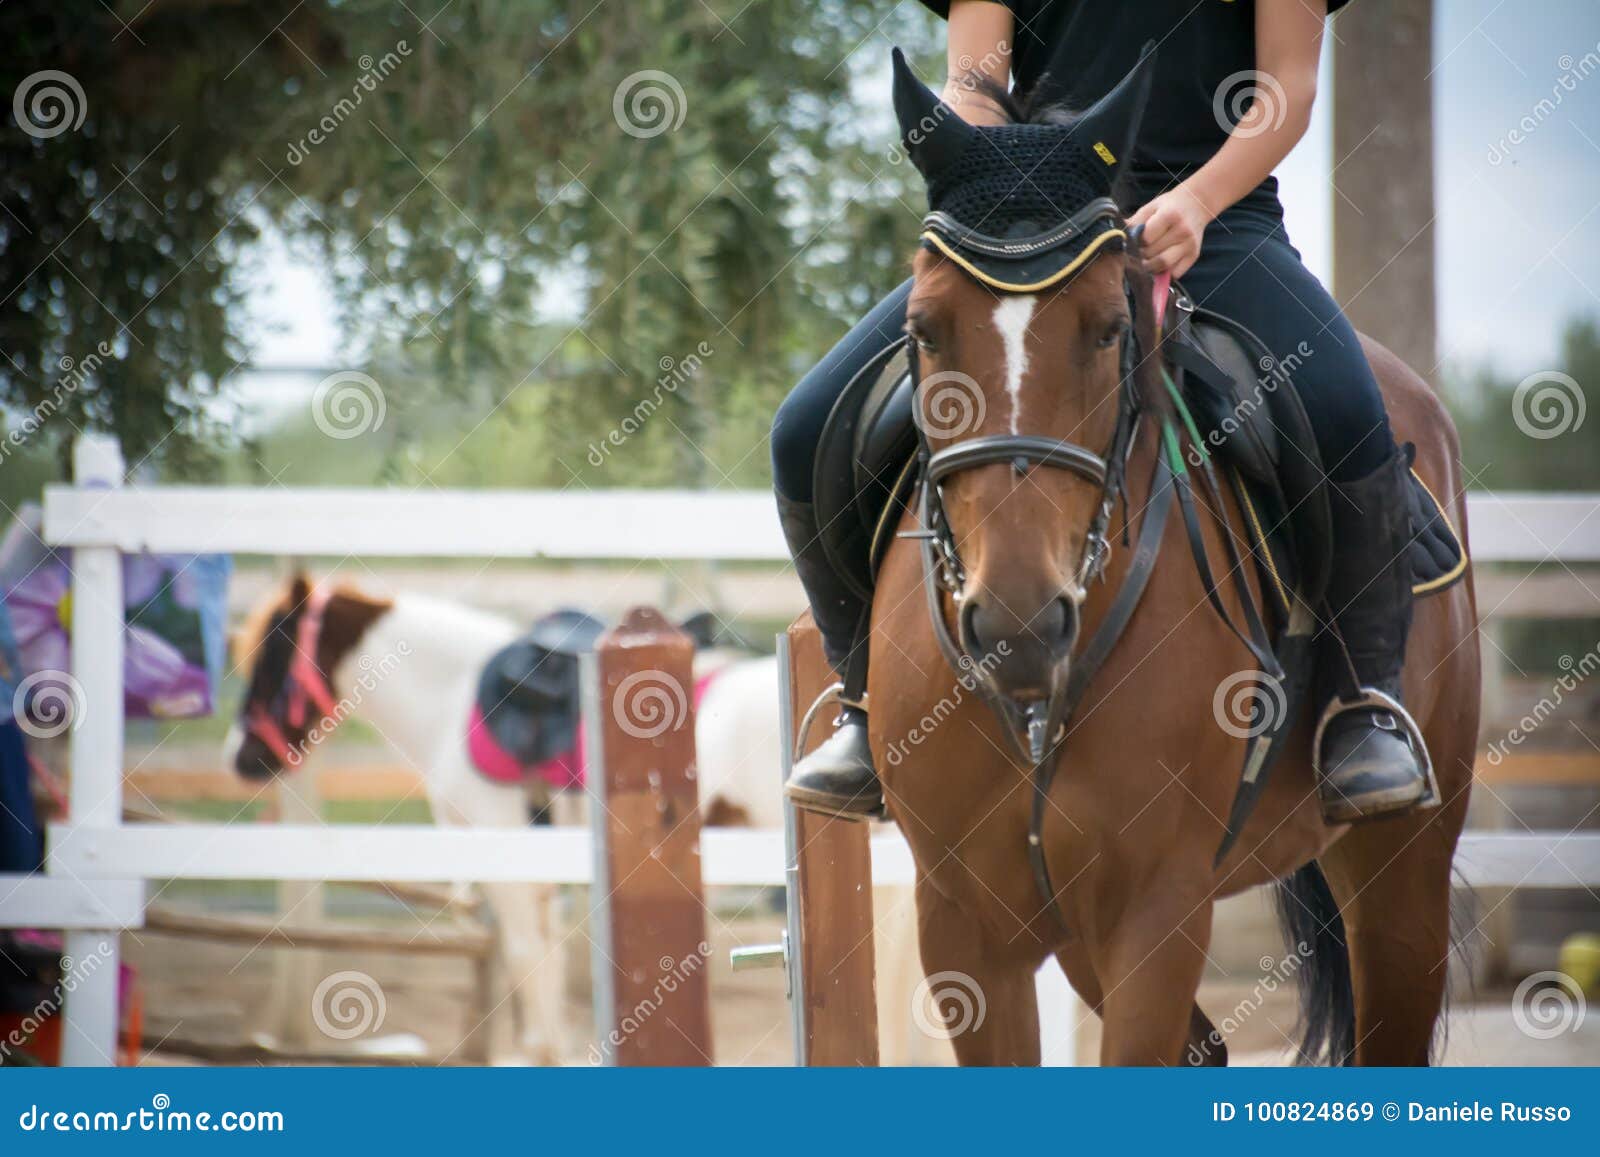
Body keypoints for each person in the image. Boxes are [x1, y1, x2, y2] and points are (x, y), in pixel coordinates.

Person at [773, 0, 1429, 824]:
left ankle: (1364, 706)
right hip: (1032, 221)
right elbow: (977, 79)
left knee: (1344, 405)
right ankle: (863, 705)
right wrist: (985, 159)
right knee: (804, 429)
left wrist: (1195, 201)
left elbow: (1286, 87)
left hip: (1218, 222)